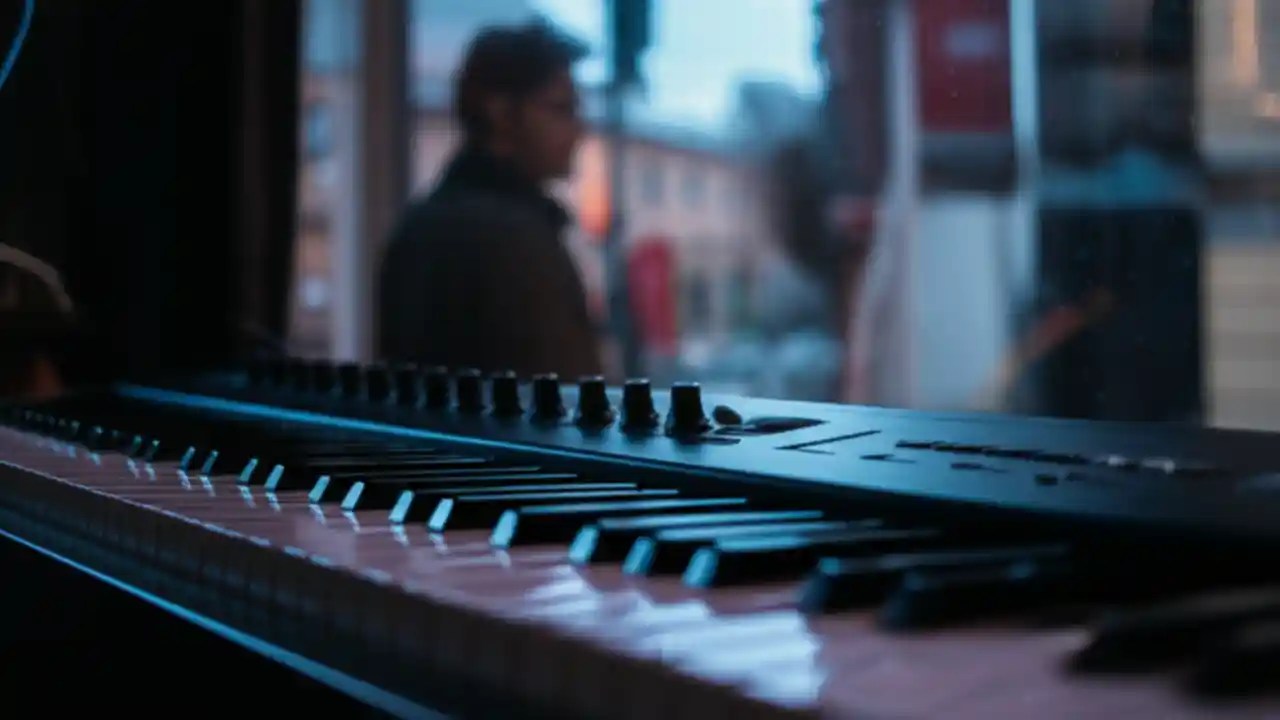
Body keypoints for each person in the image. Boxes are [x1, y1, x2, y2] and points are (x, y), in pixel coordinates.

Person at [378, 21, 603, 379]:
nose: (578, 128)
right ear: (499, 112)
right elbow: (563, 400)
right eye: (561, 109)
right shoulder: (514, 238)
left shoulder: (419, 223)